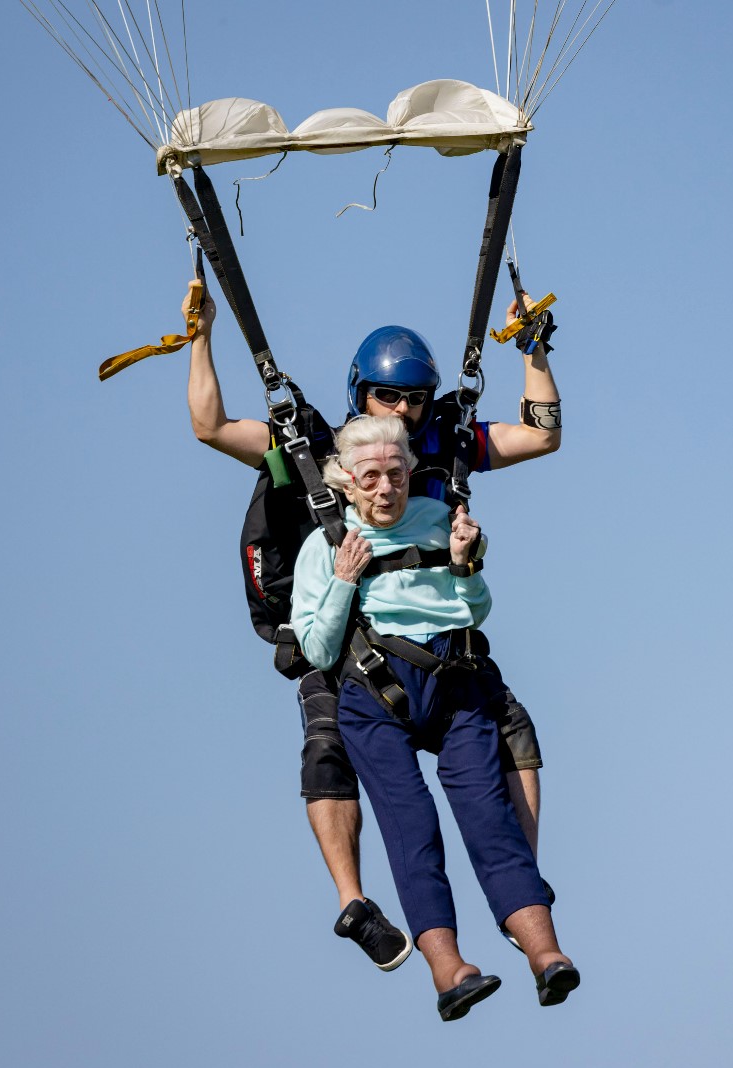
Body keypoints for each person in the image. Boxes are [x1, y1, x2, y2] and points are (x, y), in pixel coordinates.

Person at [181, 279, 564, 970]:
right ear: (361, 393)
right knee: (327, 745)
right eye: (390, 396)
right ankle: (353, 902)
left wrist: (534, 351)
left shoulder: (443, 444)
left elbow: (540, 434)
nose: (405, 410)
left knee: (512, 726)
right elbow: (211, 427)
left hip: (434, 636)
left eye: (415, 398)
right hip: (343, 636)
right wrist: (202, 338)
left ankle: (519, 883)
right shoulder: (320, 450)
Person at [287, 416, 578, 1020]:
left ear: (411, 473)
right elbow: (316, 652)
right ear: (346, 481)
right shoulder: (322, 545)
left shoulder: (442, 521)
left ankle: (546, 955)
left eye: (395, 475)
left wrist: (466, 565)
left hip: (453, 686)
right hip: (375, 696)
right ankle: (450, 972)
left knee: (489, 816)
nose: (385, 489)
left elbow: (476, 609)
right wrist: (343, 580)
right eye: (370, 478)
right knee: (411, 827)